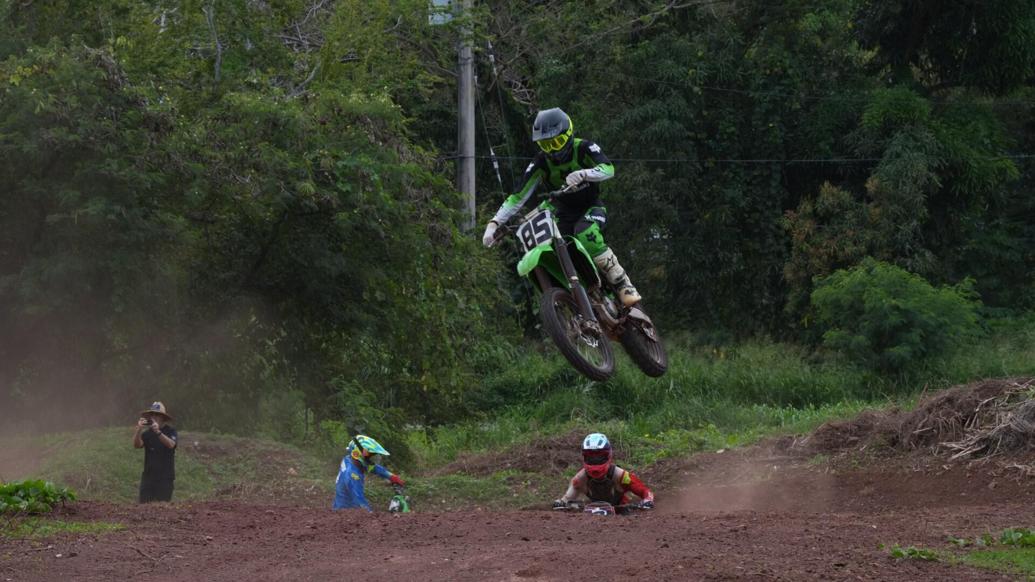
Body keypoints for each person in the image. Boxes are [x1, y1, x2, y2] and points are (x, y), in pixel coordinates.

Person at [482, 107, 641, 307]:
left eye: (556, 142)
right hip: (561, 211)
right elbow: (518, 196)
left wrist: (585, 173)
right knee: (550, 245)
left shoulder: (584, 147)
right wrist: (495, 222)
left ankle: (621, 282)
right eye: (545, 145)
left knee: (585, 234)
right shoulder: (541, 162)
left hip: (590, 207)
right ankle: (571, 298)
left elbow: (608, 169)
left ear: (568, 134)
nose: (553, 150)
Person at [552, 432, 655, 510]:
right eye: (591, 457)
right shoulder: (580, 479)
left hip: (622, 514)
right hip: (592, 519)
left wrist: (647, 500)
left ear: (608, 455)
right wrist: (561, 502)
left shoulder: (620, 475)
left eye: (599, 457)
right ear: (584, 457)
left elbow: (645, 492)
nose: (595, 460)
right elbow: (566, 500)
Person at [333, 434, 406, 511]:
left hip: (343, 507)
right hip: (346, 513)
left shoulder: (350, 460)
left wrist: (391, 476)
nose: (371, 459)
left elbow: (373, 467)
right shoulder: (353, 475)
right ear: (358, 454)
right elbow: (360, 503)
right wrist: (371, 514)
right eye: (370, 456)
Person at [132, 401, 178, 503]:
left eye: (157, 415)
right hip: (148, 477)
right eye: (152, 414)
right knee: (143, 507)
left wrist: (158, 432)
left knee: (162, 508)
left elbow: (171, 444)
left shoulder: (171, 431)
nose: (154, 417)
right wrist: (138, 430)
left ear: (163, 417)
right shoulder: (147, 434)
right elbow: (137, 445)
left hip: (165, 478)